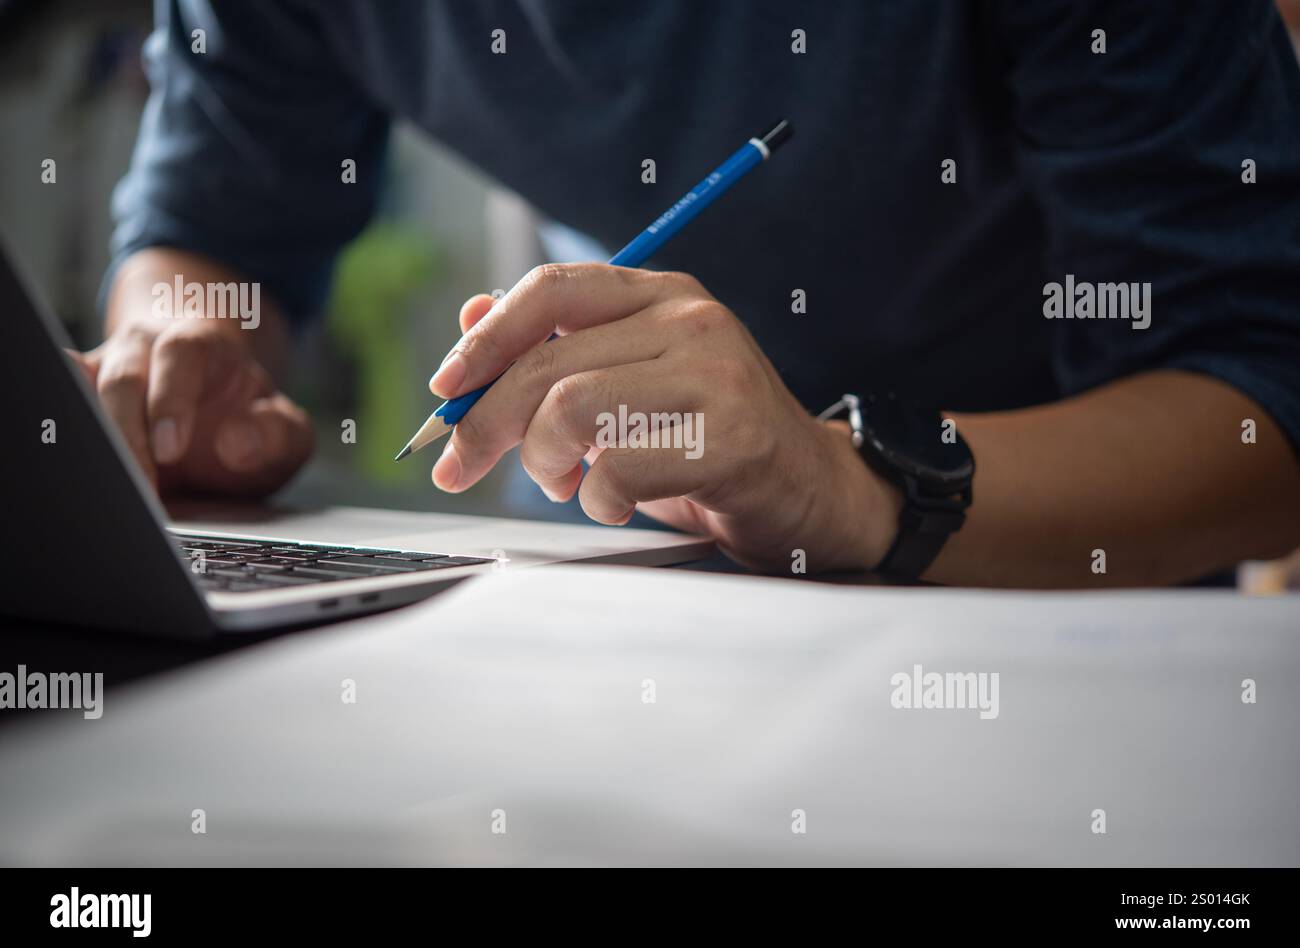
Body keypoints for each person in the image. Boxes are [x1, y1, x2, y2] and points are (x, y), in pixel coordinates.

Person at [80, 1, 1300, 586]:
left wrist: (838, 482)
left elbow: (1261, 412)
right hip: (606, 571)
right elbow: (208, 231)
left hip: (1040, 575)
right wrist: (182, 346)